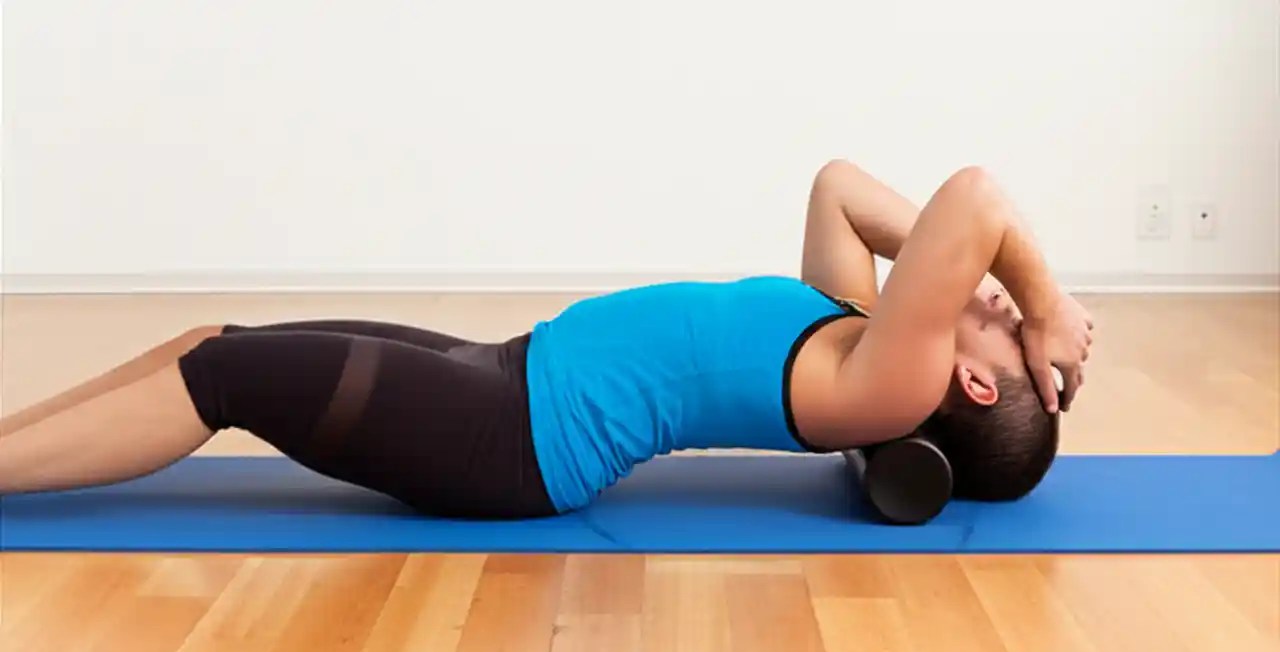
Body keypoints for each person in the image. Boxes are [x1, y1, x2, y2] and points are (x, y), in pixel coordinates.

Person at [0, 161, 1093, 518]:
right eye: (1006, 317)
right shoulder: (858, 334)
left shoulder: (886, 394)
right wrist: (982, 296)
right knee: (214, 340)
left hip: (507, 440)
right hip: (503, 372)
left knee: (222, 378)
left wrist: (1041, 303)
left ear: (969, 390)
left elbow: (974, 198)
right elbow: (840, 189)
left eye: (1004, 345)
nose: (998, 312)